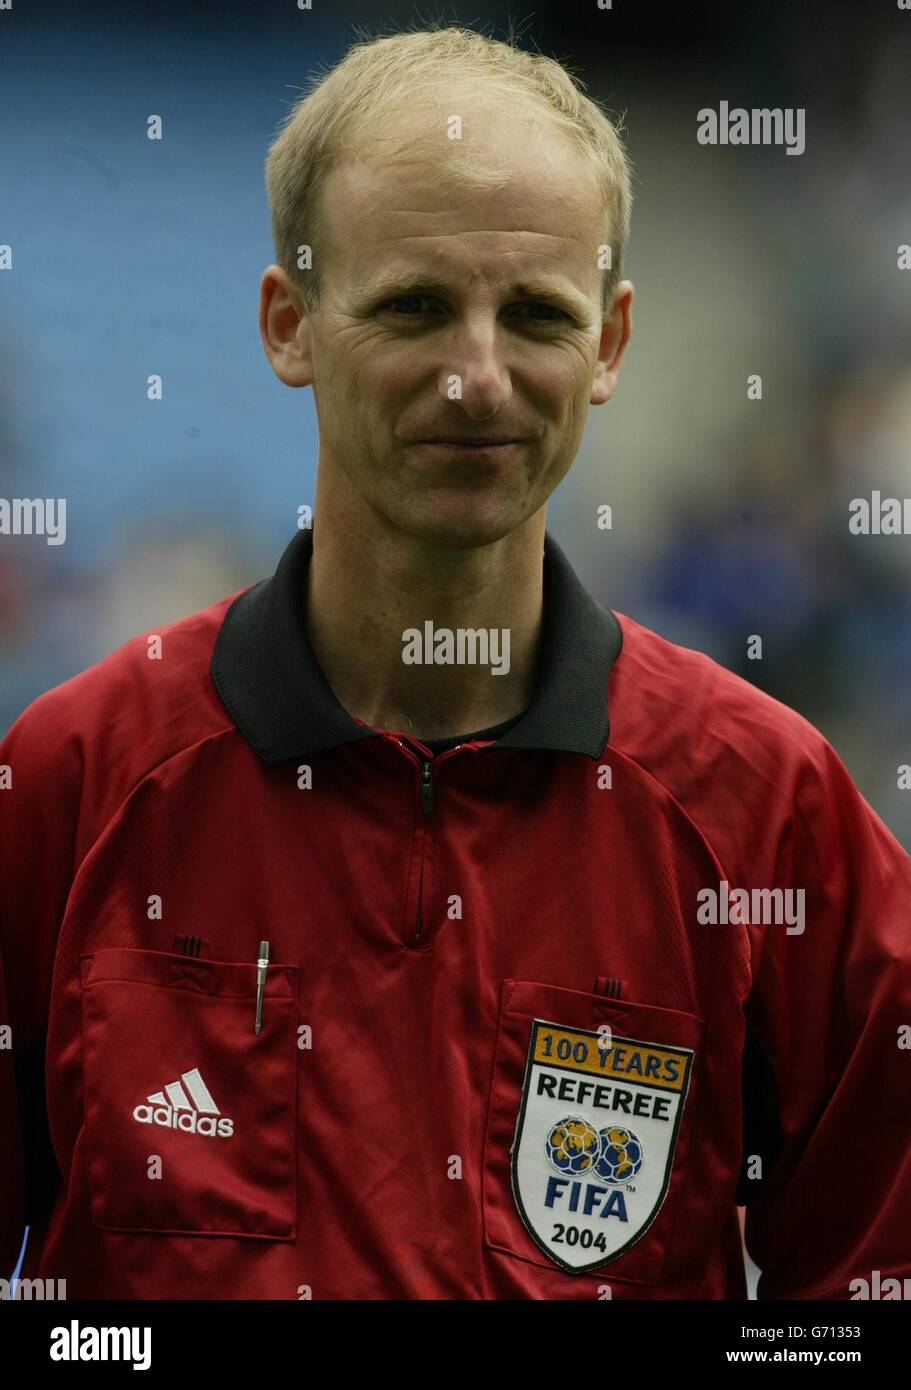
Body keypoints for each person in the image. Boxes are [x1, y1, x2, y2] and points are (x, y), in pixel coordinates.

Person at [1, 24, 909, 1301]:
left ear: (608, 345)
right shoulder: (74, 776)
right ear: (290, 323)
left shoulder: (766, 811)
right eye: (414, 305)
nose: (477, 377)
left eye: (534, 313)